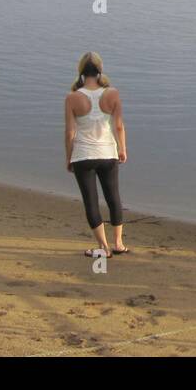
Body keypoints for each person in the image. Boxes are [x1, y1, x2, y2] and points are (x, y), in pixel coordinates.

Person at [64, 51, 128, 257]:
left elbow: (70, 132)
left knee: (90, 201)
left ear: (81, 71)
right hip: (107, 153)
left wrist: (68, 157)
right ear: (100, 70)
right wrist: (122, 148)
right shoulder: (112, 94)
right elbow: (118, 126)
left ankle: (103, 248)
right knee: (113, 197)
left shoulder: (73, 97)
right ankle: (118, 243)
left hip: (83, 155)